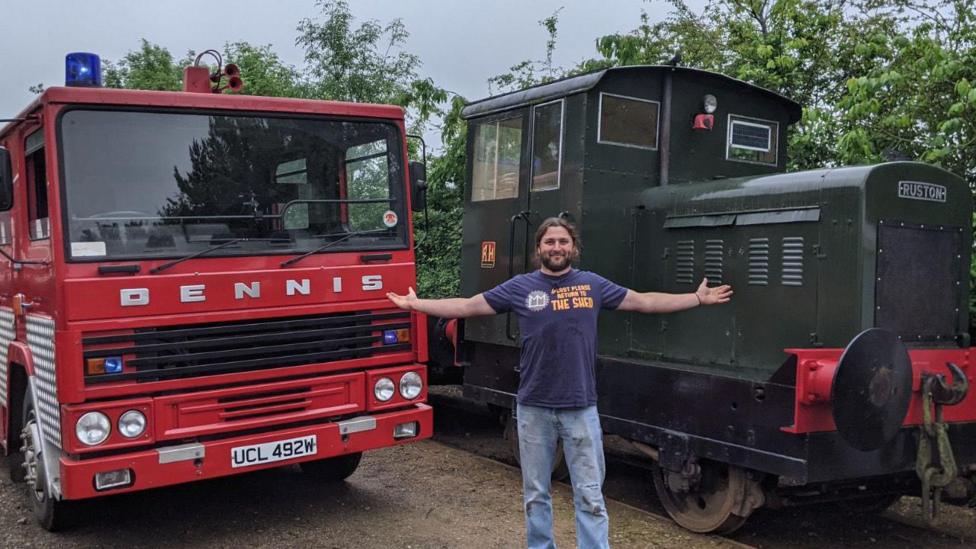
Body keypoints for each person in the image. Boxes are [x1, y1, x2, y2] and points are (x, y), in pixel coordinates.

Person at [387, 217, 732, 549]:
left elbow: (644, 301)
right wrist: (417, 305)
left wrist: (696, 298)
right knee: (536, 493)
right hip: (533, 407)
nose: (556, 246)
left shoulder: (593, 285)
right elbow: (467, 305)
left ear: (573, 247)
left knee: (590, 494)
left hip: (580, 408)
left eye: (562, 241)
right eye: (549, 241)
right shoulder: (520, 287)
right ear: (539, 248)